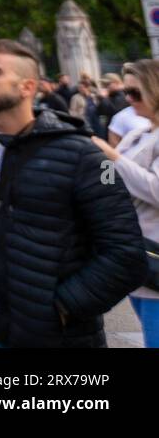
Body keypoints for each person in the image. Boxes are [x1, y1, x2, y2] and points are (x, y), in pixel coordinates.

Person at [0, 39, 146, 348]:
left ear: (27, 87)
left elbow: (125, 254)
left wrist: (62, 307)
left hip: (59, 336)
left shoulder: (84, 155)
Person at [91, 60, 159, 347]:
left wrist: (113, 157)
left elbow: (156, 189)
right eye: (127, 92)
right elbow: (111, 178)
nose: (128, 99)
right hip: (134, 253)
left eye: (135, 92)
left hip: (154, 251)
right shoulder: (138, 133)